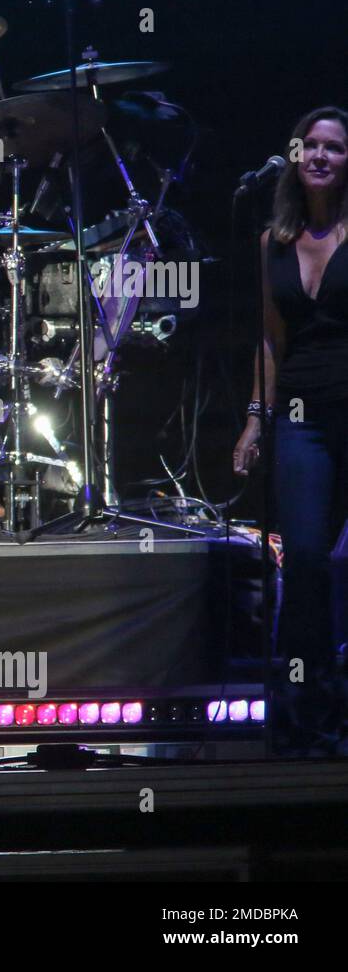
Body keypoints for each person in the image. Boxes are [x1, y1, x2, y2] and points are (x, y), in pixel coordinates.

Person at [233, 105, 348, 754]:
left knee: (342, 561)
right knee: (302, 558)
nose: (320, 156)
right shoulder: (271, 242)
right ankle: (308, 708)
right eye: (310, 145)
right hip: (303, 417)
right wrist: (256, 418)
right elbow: (271, 344)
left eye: (334, 147)